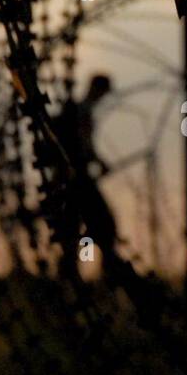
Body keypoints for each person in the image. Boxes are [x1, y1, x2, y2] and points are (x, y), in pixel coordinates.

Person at [51, 74, 118, 281]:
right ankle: (107, 270)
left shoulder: (77, 110)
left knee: (74, 225)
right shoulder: (83, 112)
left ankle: (71, 273)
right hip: (79, 179)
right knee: (103, 224)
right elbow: (83, 145)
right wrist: (99, 162)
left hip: (70, 178)